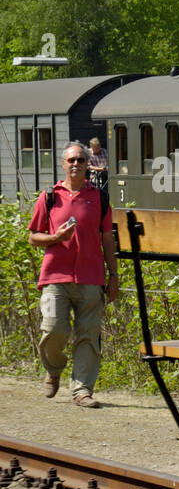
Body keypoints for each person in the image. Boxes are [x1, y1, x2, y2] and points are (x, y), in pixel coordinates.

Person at [27, 142, 118, 408]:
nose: (76, 164)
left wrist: (113, 276)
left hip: (91, 277)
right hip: (55, 276)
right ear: (63, 164)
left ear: (88, 164)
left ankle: (82, 390)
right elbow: (33, 237)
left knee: (88, 334)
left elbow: (107, 240)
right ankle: (54, 369)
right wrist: (55, 237)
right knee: (54, 329)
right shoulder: (49, 196)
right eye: (71, 160)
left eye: (80, 159)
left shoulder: (99, 197)